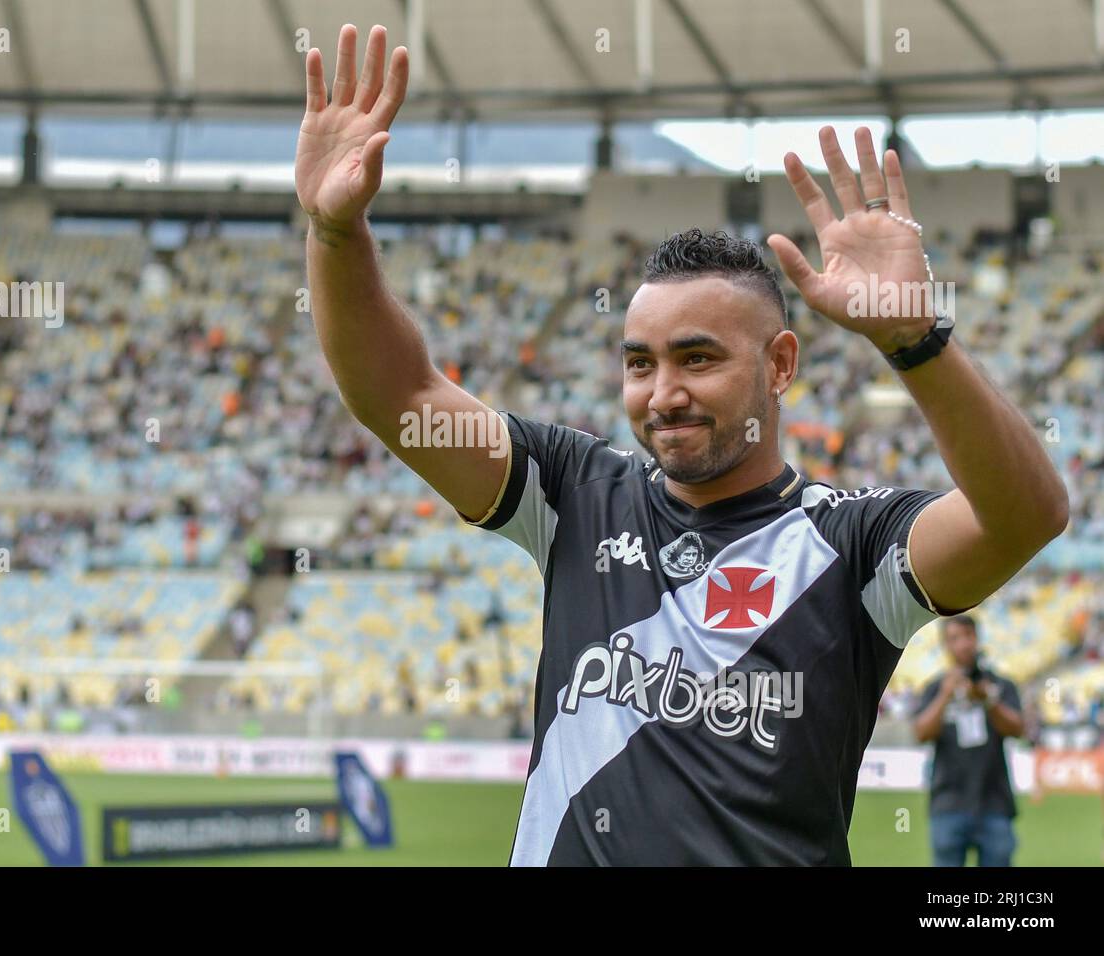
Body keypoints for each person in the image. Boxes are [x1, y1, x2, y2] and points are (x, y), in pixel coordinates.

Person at [296, 23, 1070, 865]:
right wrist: (337, 236)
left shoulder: (851, 545)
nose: (663, 393)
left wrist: (917, 340)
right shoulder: (574, 492)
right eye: (640, 363)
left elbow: (1024, 516)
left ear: (780, 364)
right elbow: (399, 396)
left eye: (697, 358)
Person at [913, 615, 1025, 866]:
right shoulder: (934, 687)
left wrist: (988, 700)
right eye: (955, 638)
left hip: (995, 802)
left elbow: (1018, 729)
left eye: (968, 636)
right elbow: (921, 733)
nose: (963, 644)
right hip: (948, 803)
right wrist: (945, 695)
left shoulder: (999, 685)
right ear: (946, 645)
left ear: (977, 639)